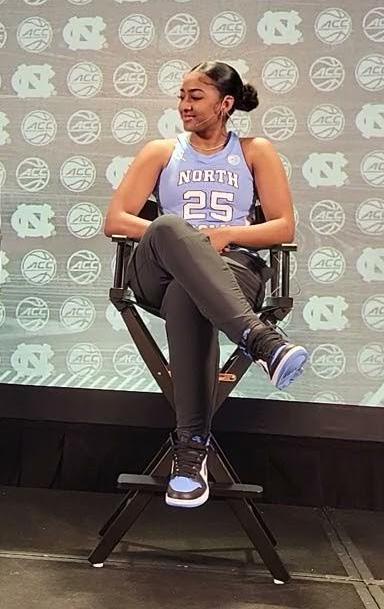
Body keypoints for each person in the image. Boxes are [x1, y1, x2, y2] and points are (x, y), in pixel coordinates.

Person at [103, 61, 309, 509]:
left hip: (231, 269)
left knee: (188, 295)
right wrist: (190, 238)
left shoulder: (255, 151)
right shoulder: (161, 151)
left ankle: (191, 451)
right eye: (181, 96)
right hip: (158, 270)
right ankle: (261, 340)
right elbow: (115, 219)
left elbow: (283, 226)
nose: (184, 105)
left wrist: (227, 235)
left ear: (226, 103)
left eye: (195, 97)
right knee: (169, 227)